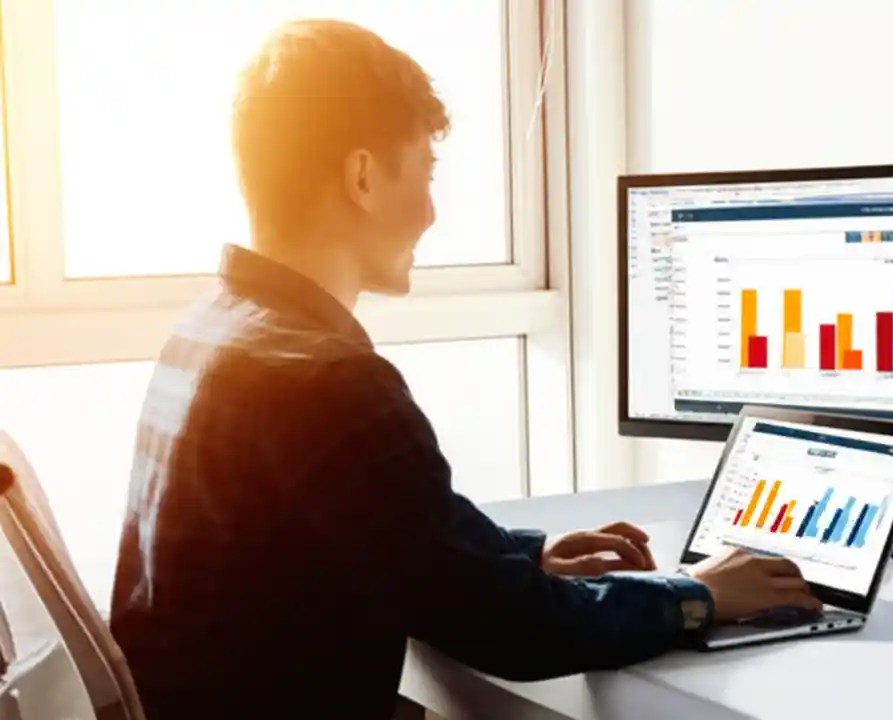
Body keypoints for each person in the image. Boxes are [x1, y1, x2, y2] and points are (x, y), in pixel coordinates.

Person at [109, 18, 820, 720]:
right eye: (424, 172)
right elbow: (516, 632)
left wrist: (524, 556)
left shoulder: (212, 332)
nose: (430, 211)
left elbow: (371, 537)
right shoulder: (328, 383)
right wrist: (697, 595)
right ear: (362, 176)